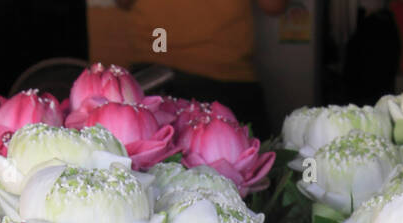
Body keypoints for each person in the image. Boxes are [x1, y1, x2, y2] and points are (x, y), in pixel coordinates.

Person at [90, 0, 288, 134]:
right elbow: (274, 6)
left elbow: (123, 2)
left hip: (152, 75)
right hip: (224, 77)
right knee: (257, 186)